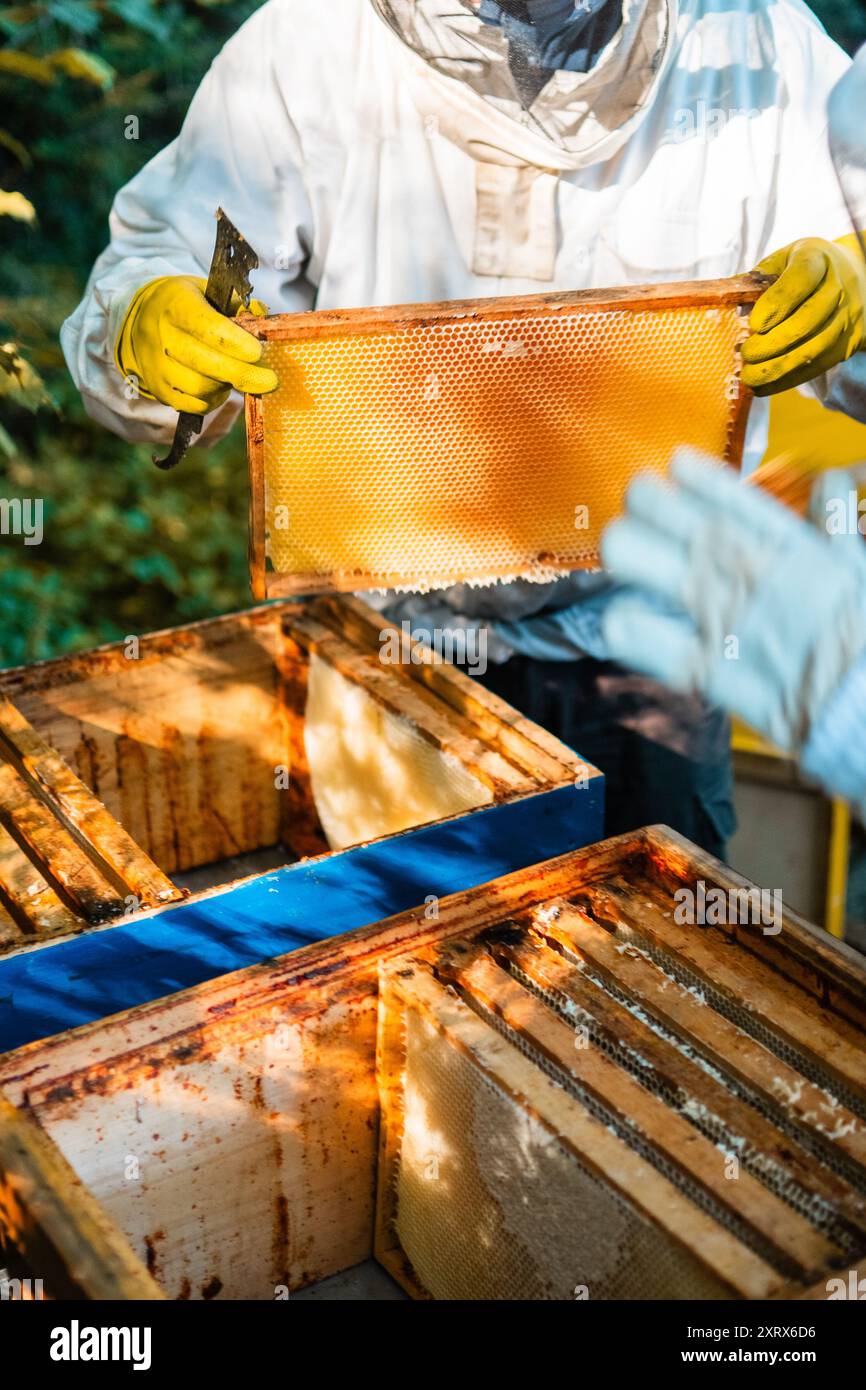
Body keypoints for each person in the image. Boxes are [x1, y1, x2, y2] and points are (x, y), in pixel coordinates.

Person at [63, 0, 866, 860]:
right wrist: (146, 321)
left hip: (649, 645)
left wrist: (855, 285)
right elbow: (160, 261)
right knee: (391, 952)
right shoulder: (309, 42)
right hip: (390, 640)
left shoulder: (756, 44)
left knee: (659, 948)